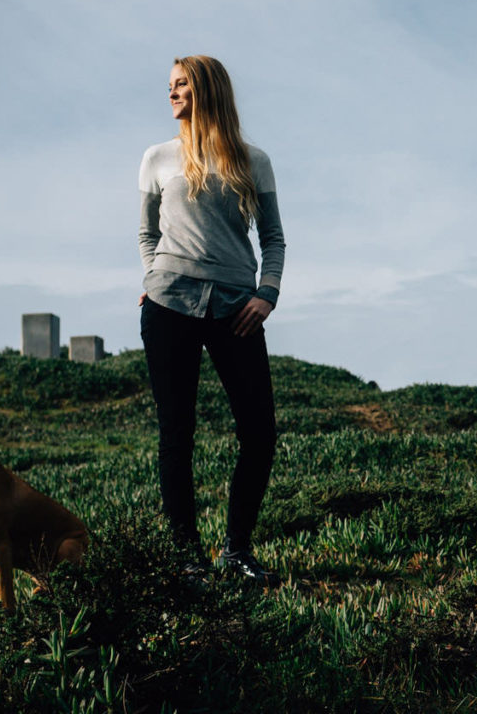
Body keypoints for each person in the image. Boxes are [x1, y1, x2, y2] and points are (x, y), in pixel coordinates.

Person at [138, 55, 285, 585]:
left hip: (236, 310)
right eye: (170, 86)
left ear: (206, 90)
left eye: (181, 85)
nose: (172, 93)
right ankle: (186, 557)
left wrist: (266, 295)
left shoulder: (253, 160)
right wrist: (151, 280)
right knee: (177, 435)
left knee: (260, 432)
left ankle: (237, 551)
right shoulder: (156, 158)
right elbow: (146, 235)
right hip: (168, 304)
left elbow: (273, 237)